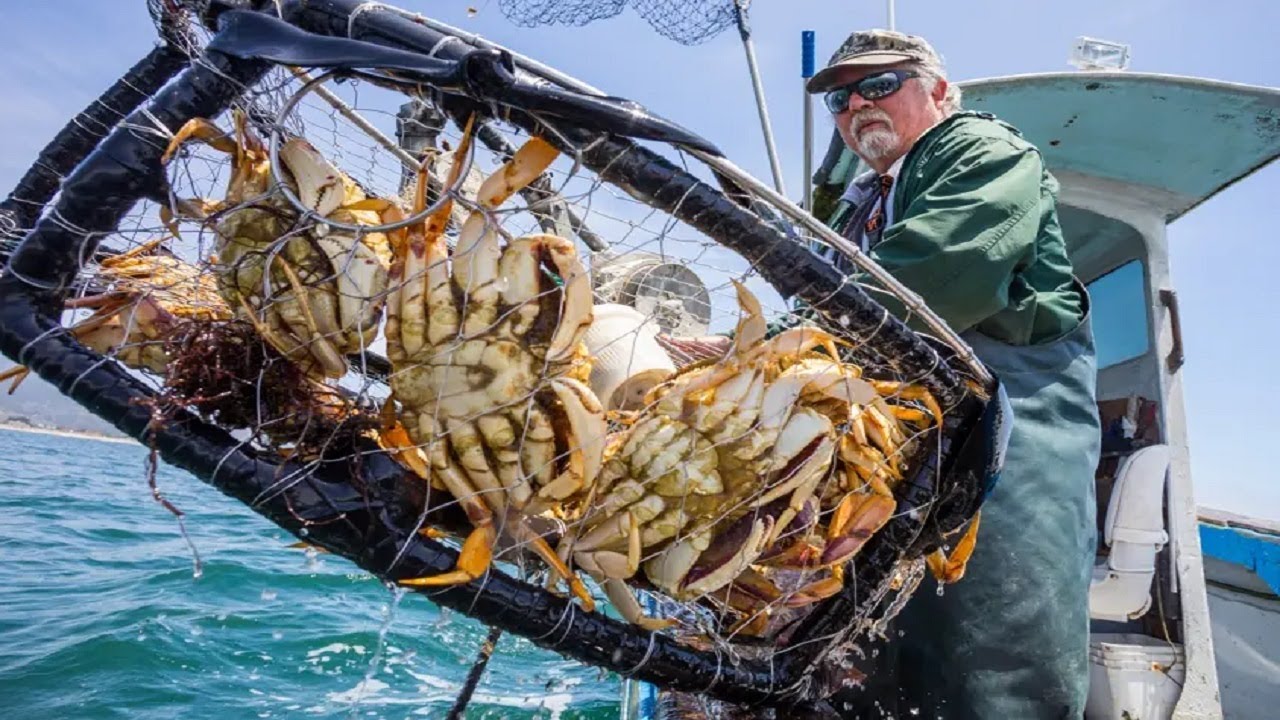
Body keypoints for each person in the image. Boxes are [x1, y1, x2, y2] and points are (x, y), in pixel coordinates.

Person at [663, 29, 1101, 719]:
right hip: (894, 459)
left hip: (1009, 455)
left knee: (988, 661)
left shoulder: (978, 151)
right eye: (840, 97)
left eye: (879, 85)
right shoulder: (860, 199)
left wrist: (757, 347)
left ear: (938, 91)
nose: (856, 104)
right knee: (859, 660)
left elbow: (931, 277)